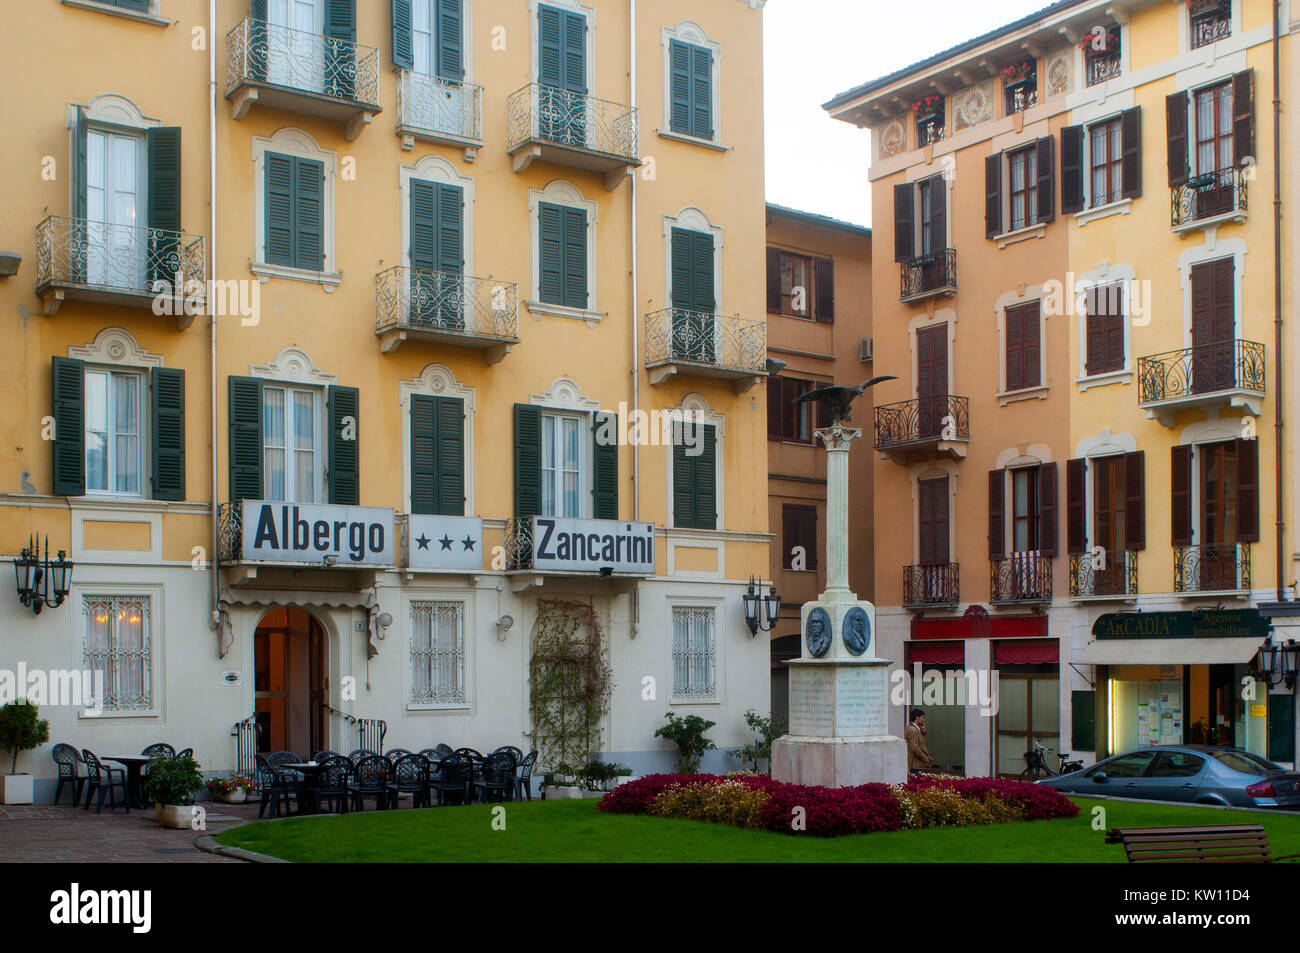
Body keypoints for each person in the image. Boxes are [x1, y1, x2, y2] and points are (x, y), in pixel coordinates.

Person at [905, 708, 934, 774]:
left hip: (914, 764)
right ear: (917, 717)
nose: (923, 720)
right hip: (915, 764)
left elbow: (918, 742)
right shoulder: (913, 730)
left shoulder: (911, 728)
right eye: (922, 717)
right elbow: (914, 747)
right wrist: (925, 758)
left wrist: (923, 732)